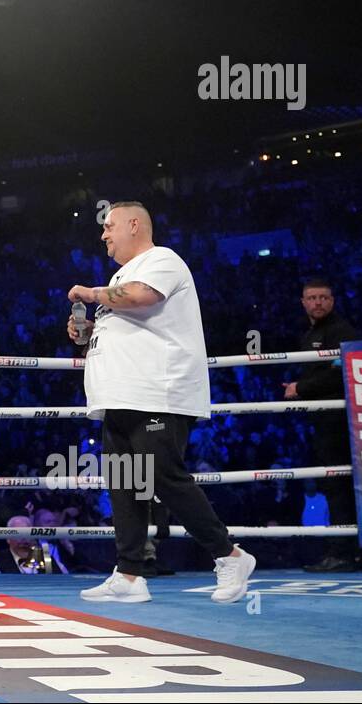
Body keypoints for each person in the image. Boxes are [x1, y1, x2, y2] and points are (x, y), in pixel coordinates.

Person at [67, 201, 256, 604]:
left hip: (158, 392)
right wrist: (84, 332)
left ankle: (230, 555)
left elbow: (142, 296)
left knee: (162, 479)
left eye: (109, 226)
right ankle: (130, 573)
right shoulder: (122, 274)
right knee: (125, 486)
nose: (103, 234)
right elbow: (123, 318)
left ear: (134, 224)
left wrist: (91, 291)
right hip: (120, 396)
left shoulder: (162, 260)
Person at [282, 277, 361, 572]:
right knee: (333, 481)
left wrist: (300, 388)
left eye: (323, 298)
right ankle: (344, 549)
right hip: (323, 418)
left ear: (332, 300)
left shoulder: (341, 331)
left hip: (339, 418)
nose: (317, 303)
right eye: (312, 298)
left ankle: (344, 551)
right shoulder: (310, 334)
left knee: (338, 481)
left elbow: (339, 373)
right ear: (303, 303)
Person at [0, 515, 70, 574]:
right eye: (19, 535)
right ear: (8, 539)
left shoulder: (45, 558)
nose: (24, 540)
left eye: (28, 535)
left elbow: (65, 581)